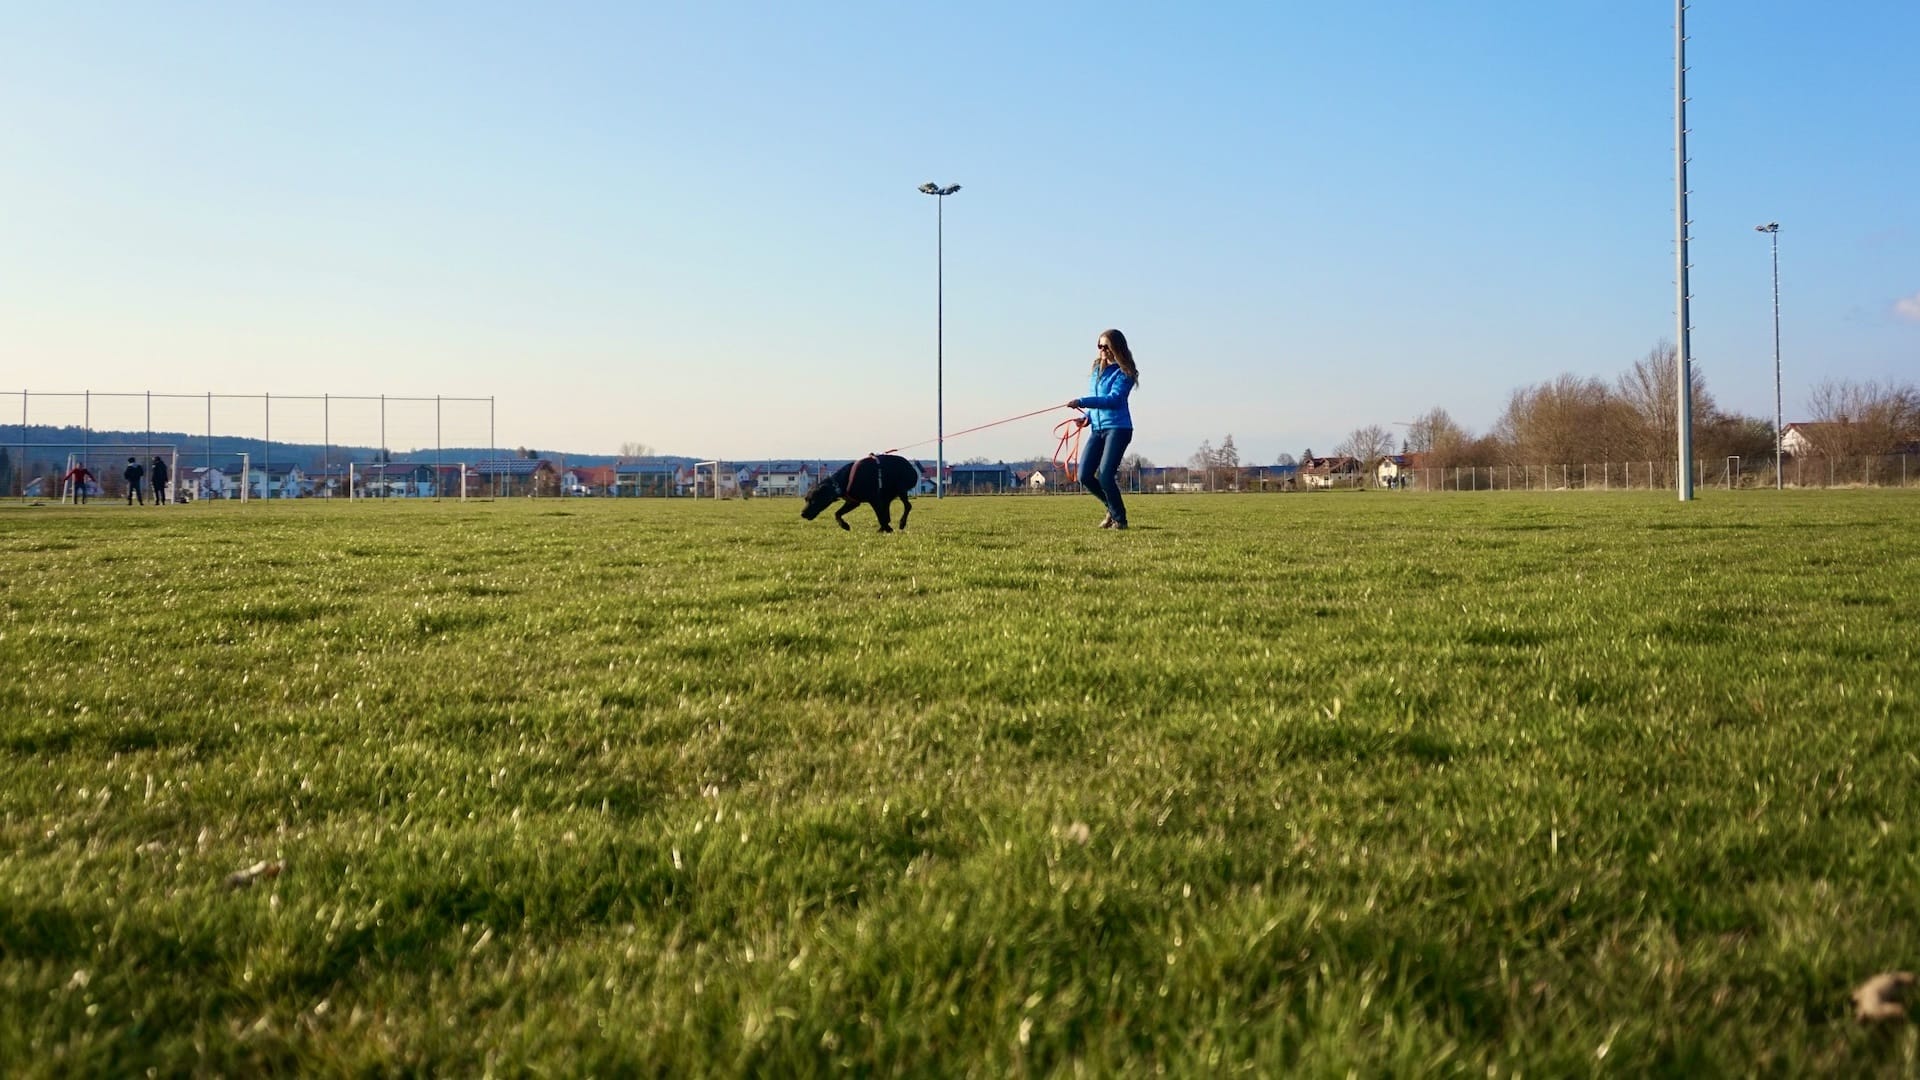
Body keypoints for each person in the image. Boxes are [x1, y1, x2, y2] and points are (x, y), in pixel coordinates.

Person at [1066, 328, 1140, 530]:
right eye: (1099, 345)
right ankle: (1111, 508)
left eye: (1106, 346)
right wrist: (1086, 417)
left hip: (1118, 429)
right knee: (1085, 476)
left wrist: (1082, 401)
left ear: (1116, 347)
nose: (1102, 350)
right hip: (1097, 429)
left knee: (1105, 475)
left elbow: (1114, 400)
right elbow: (1098, 402)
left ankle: (1121, 521)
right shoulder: (1097, 369)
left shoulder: (1125, 373)